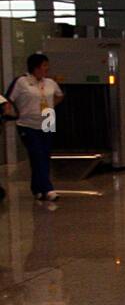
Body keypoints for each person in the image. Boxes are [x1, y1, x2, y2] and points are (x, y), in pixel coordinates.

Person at [8, 53, 63, 202]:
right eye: (44, 65)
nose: (47, 68)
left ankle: (37, 188)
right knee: (37, 154)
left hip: (47, 120)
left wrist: (50, 107)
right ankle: (48, 188)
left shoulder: (50, 82)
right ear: (35, 67)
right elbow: (9, 99)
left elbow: (59, 95)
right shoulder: (22, 82)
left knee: (43, 155)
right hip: (28, 124)